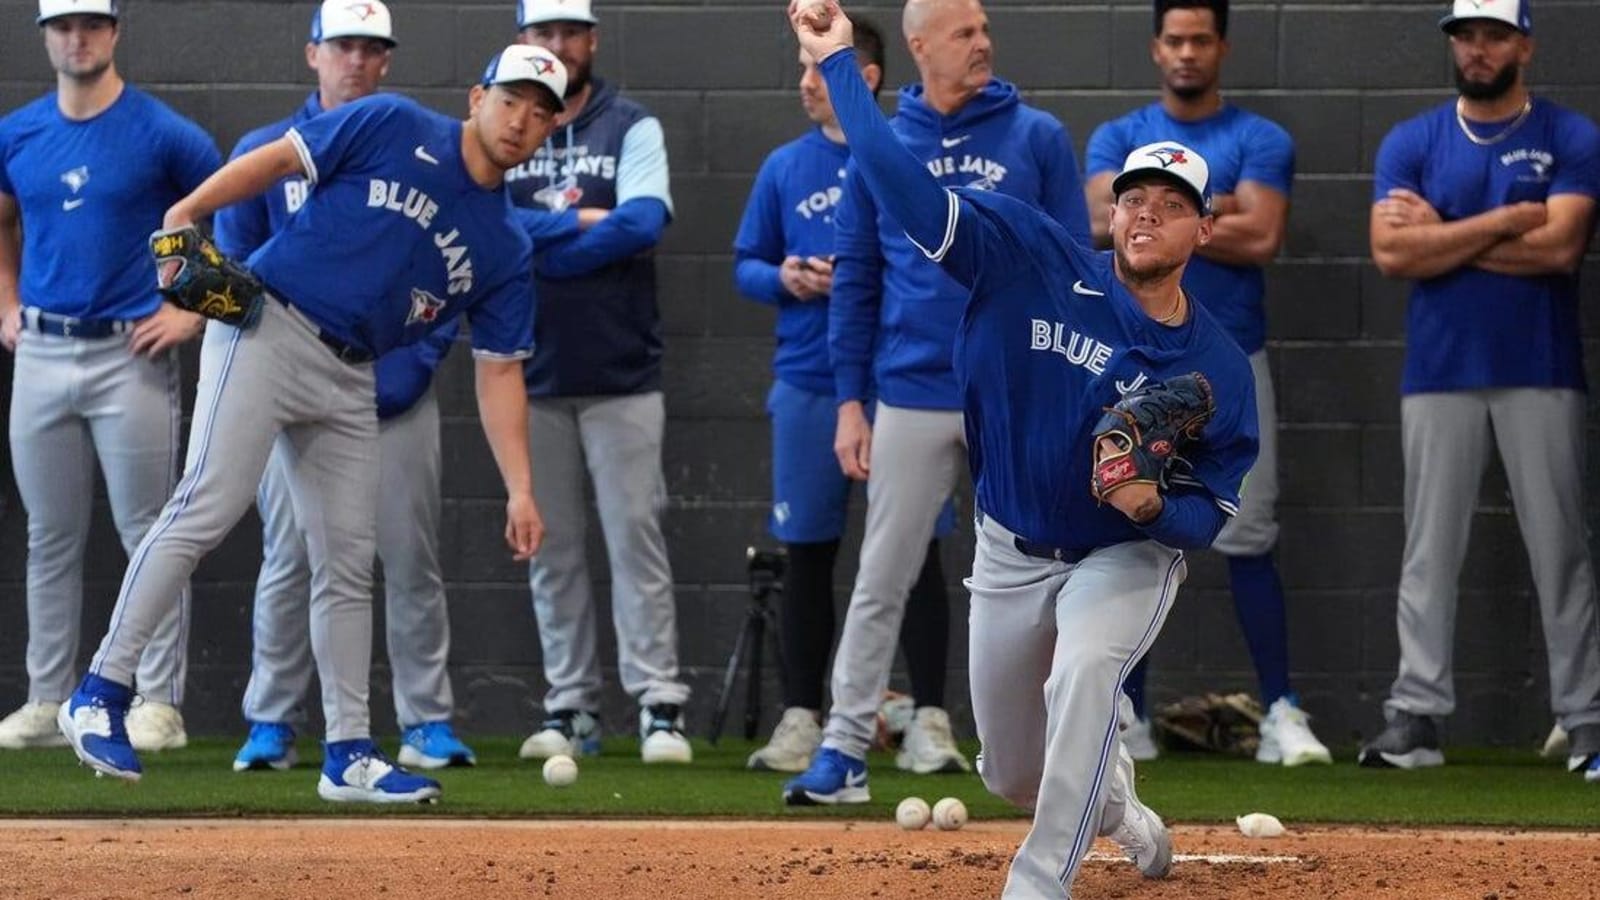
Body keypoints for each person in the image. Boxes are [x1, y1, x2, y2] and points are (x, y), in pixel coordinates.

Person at [790, 3, 1257, 891]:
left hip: (1123, 554)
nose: (1148, 215)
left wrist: (1157, 507)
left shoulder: (1215, 367)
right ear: (1112, 210)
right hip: (1009, 548)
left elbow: (1213, 509)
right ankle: (1118, 807)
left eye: (1173, 206)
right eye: (1135, 199)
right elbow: (901, 188)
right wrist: (841, 63)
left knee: (1084, 672)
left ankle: (1039, 880)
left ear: (1204, 230)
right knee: (1011, 774)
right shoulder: (1030, 257)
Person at [56, 44, 568, 804]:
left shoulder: (506, 247)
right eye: (511, 99)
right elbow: (278, 160)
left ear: (551, 129)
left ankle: (349, 752)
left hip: (352, 373)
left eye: (541, 111)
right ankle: (100, 691)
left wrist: (521, 488)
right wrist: (188, 211)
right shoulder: (393, 123)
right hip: (267, 327)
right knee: (206, 505)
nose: (521, 119)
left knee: (347, 562)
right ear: (477, 97)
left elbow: (499, 372)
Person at [784, 0, 1092, 802]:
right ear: (919, 46)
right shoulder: (882, 148)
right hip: (912, 391)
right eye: (964, 32)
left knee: (1048, 578)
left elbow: (1074, 270)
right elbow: (857, 279)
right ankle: (844, 748)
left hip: (1017, 395)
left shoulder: (1037, 137)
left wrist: (1068, 390)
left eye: (984, 29)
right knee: (881, 574)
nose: (983, 42)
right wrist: (850, 403)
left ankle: (1072, 746)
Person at [214, 1, 475, 775]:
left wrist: (403, 374)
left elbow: (447, 280)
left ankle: (425, 720)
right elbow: (237, 271)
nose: (355, 60)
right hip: (286, 393)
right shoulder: (265, 153)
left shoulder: (418, 151)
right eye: (342, 46)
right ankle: (272, 719)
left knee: (409, 557)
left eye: (370, 48)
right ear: (313, 54)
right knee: (290, 557)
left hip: (393, 394)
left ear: (386, 59)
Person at [1084, 0, 1330, 767]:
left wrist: (1161, 224)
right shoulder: (1117, 134)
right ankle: (1127, 715)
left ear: (1220, 46)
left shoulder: (1261, 137)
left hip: (1232, 366)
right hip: (1130, 365)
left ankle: (1281, 710)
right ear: (1156, 48)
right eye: (1174, 39)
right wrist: (1196, 215)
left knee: (1248, 532)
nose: (1186, 52)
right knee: (1122, 524)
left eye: (1200, 39)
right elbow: (1100, 224)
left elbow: (1263, 233)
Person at [1360, 0, 1600, 780]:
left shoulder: (1569, 135)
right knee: (1428, 551)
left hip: (1541, 367)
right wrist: (1502, 223)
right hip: (1439, 371)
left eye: (1494, 35)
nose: (1477, 49)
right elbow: (1392, 255)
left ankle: (1587, 719)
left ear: (1524, 45)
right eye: (1465, 35)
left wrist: (1443, 231)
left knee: (1560, 550)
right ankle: (1418, 716)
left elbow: (1559, 247)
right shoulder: (1413, 141)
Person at [731, 17, 960, 773]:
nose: (804, 82)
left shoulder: (898, 157)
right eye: (801, 67)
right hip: (808, 381)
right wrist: (785, 276)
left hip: (897, 385)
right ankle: (804, 717)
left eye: (816, 67)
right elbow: (745, 265)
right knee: (808, 549)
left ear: (864, 78)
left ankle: (930, 718)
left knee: (916, 552)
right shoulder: (783, 167)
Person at [0, 0, 220, 754]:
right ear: (45, 36)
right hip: (42, 351)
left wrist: (192, 311)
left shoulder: (164, 133)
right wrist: (8, 302)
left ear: (115, 32)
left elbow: (227, 216)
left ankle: (157, 701)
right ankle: (46, 699)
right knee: (49, 537)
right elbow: (2, 219)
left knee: (151, 532)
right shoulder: (17, 132)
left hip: (133, 356)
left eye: (92, 24)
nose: (78, 38)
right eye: (63, 26)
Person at [507, 0, 693, 765]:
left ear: (591, 38)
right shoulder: (508, 124)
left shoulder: (631, 125)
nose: (558, 45)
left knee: (634, 538)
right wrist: (582, 225)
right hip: (528, 373)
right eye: (543, 33)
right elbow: (493, 229)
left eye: (569, 32)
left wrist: (545, 253)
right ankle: (572, 706)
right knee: (549, 549)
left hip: (622, 373)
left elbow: (642, 222)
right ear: (524, 39)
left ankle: (658, 704)